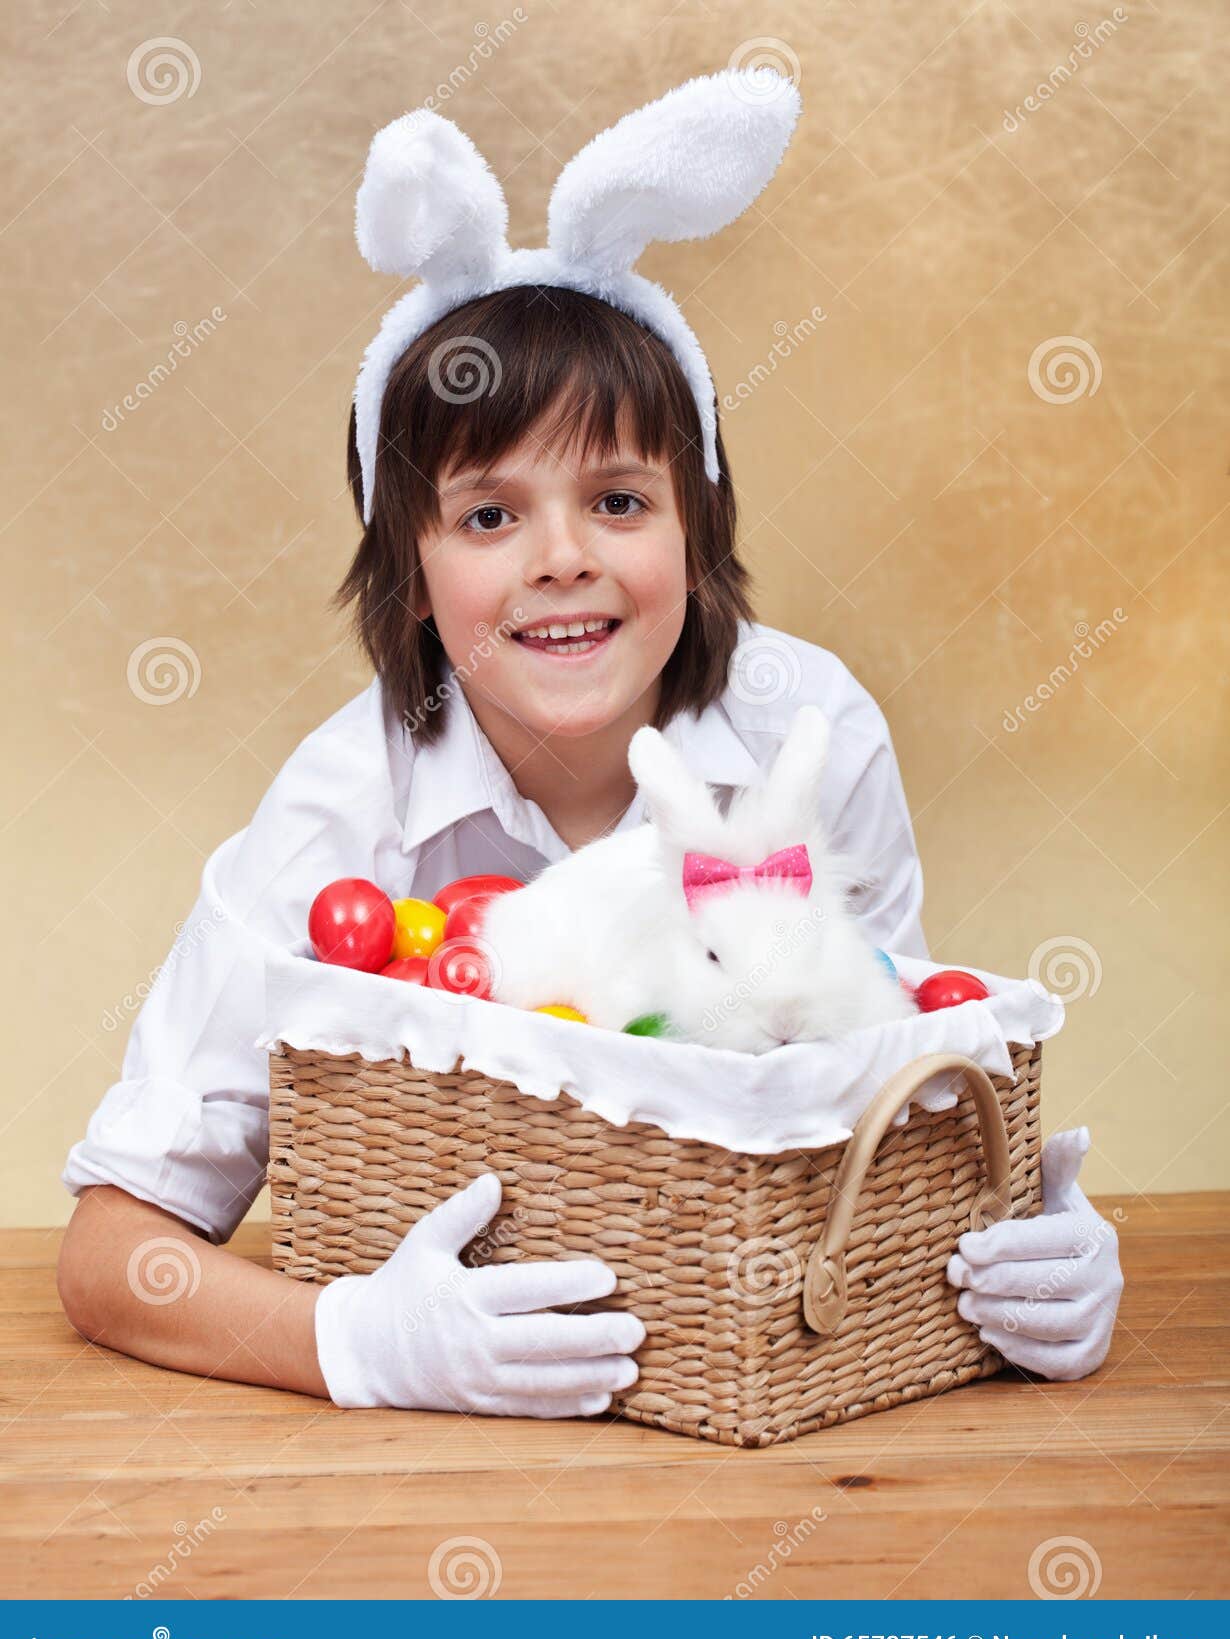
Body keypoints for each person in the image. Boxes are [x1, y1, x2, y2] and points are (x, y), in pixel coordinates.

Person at [56, 75, 1122, 1419]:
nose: (562, 559)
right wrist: (356, 1346)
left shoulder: (809, 733)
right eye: (488, 516)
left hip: (764, 1447)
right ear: (410, 569)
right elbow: (110, 1255)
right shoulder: (347, 802)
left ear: (695, 527)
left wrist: (1028, 1251)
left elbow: (865, 1100)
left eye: (617, 498)